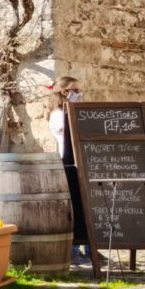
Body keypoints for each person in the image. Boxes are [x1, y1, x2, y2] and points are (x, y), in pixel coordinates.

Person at [46, 76, 96, 265]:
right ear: (64, 92)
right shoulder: (59, 114)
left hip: (79, 162)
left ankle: (91, 249)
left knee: (86, 206)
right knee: (74, 206)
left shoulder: (70, 112)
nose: (78, 94)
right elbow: (67, 132)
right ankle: (75, 249)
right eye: (74, 90)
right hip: (68, 164)